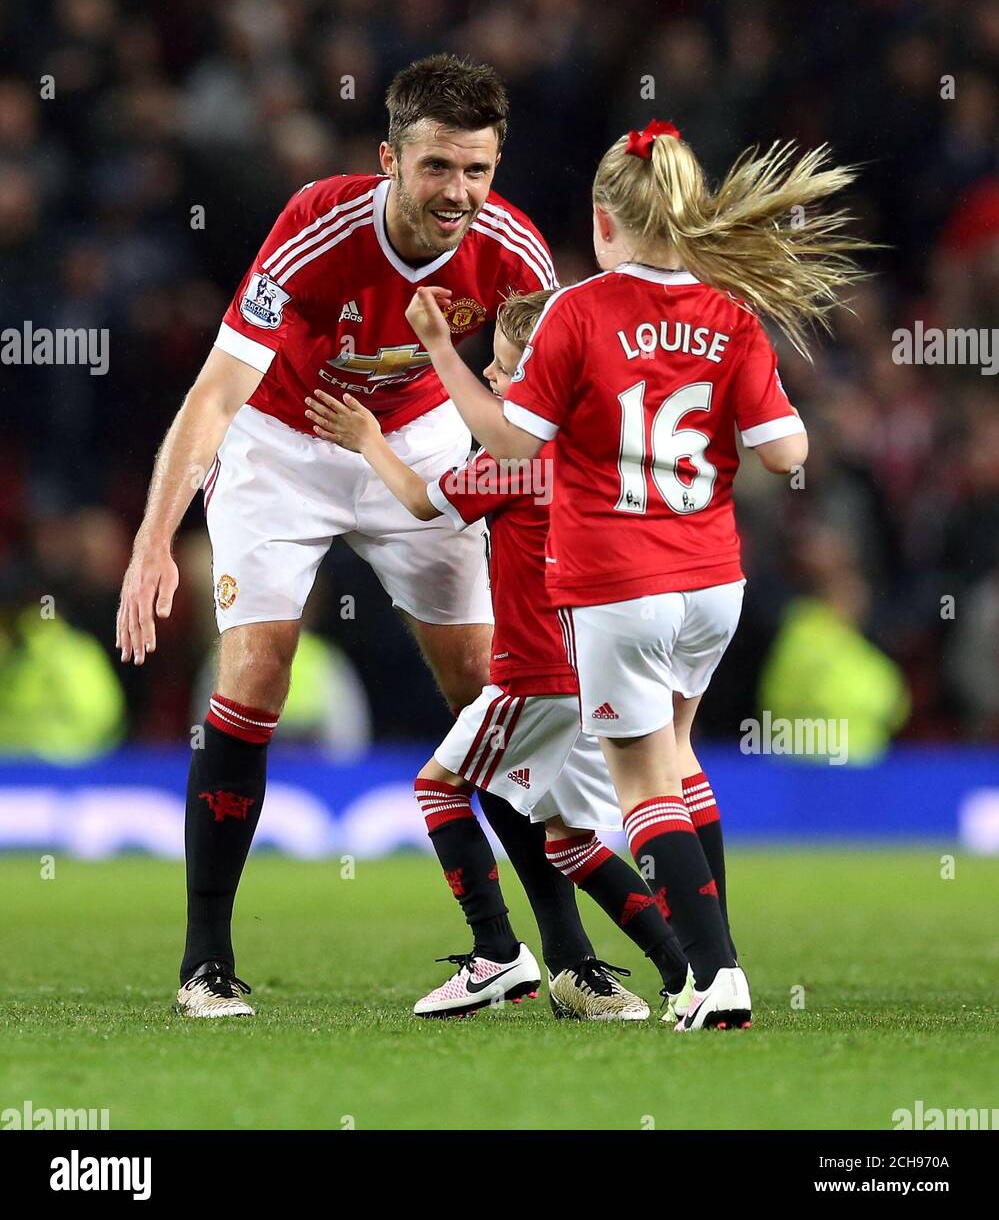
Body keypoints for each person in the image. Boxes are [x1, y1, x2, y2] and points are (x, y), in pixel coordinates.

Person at [114, 54, 599, 1017]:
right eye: (435, 169)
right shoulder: (314, 228)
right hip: (282, 442)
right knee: (254, 672)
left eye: (477, 170)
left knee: (494, 689)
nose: (458, 193)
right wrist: (153, 539)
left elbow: (544, 414)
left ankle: (566, 959)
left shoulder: (514, 253)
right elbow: (217, 389)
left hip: (416, 436)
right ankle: (205, 964)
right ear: (389, 158)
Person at [401, 118, 870, 1030]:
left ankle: (713, 976)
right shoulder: (731, 317)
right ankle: (712, 959)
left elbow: (508, 441)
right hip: (713, 583)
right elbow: (786, 453)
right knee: (681, 761)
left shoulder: (577, 311)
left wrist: (445, 361)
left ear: (601, 220)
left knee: (640, 786)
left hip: (618, 582)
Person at [306, 291, 693, 1022]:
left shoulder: (518, 462)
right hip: (597, 674)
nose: (490, 373)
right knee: (571, 843)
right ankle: (686, 974)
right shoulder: (600, 447)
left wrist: (367, 439)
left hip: (535, 671)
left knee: (437, 788)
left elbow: (421, 502)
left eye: (506, 367)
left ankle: (496, 955)